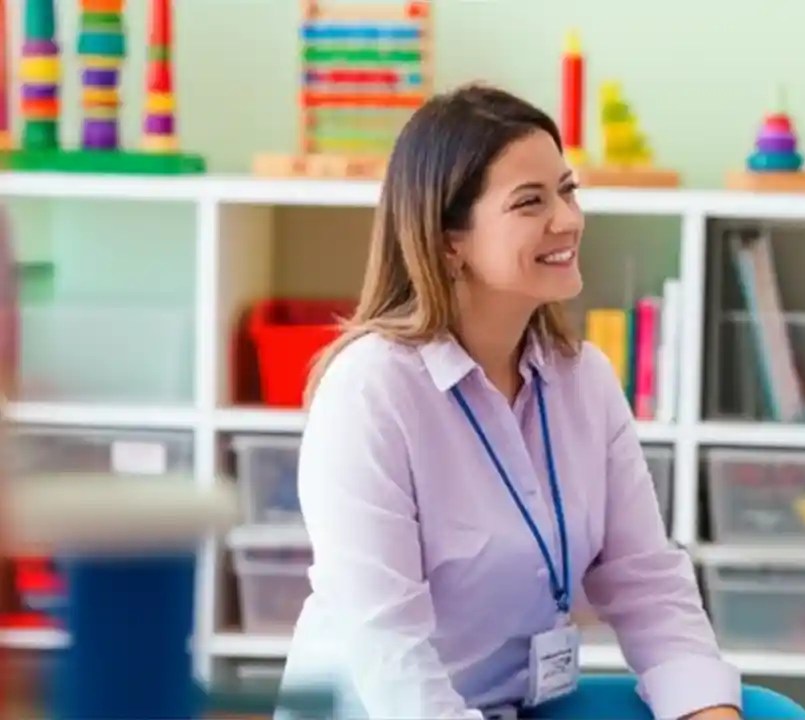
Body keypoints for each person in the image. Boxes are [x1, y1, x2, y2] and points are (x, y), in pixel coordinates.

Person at [275, 84, 742, 720]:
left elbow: (647, 580)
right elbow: (388, 650)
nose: (569, 219)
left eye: (568, 190)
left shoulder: (584, 380)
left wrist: (707, 710)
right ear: (448, 241)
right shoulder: (371, 391)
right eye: (530, 202)